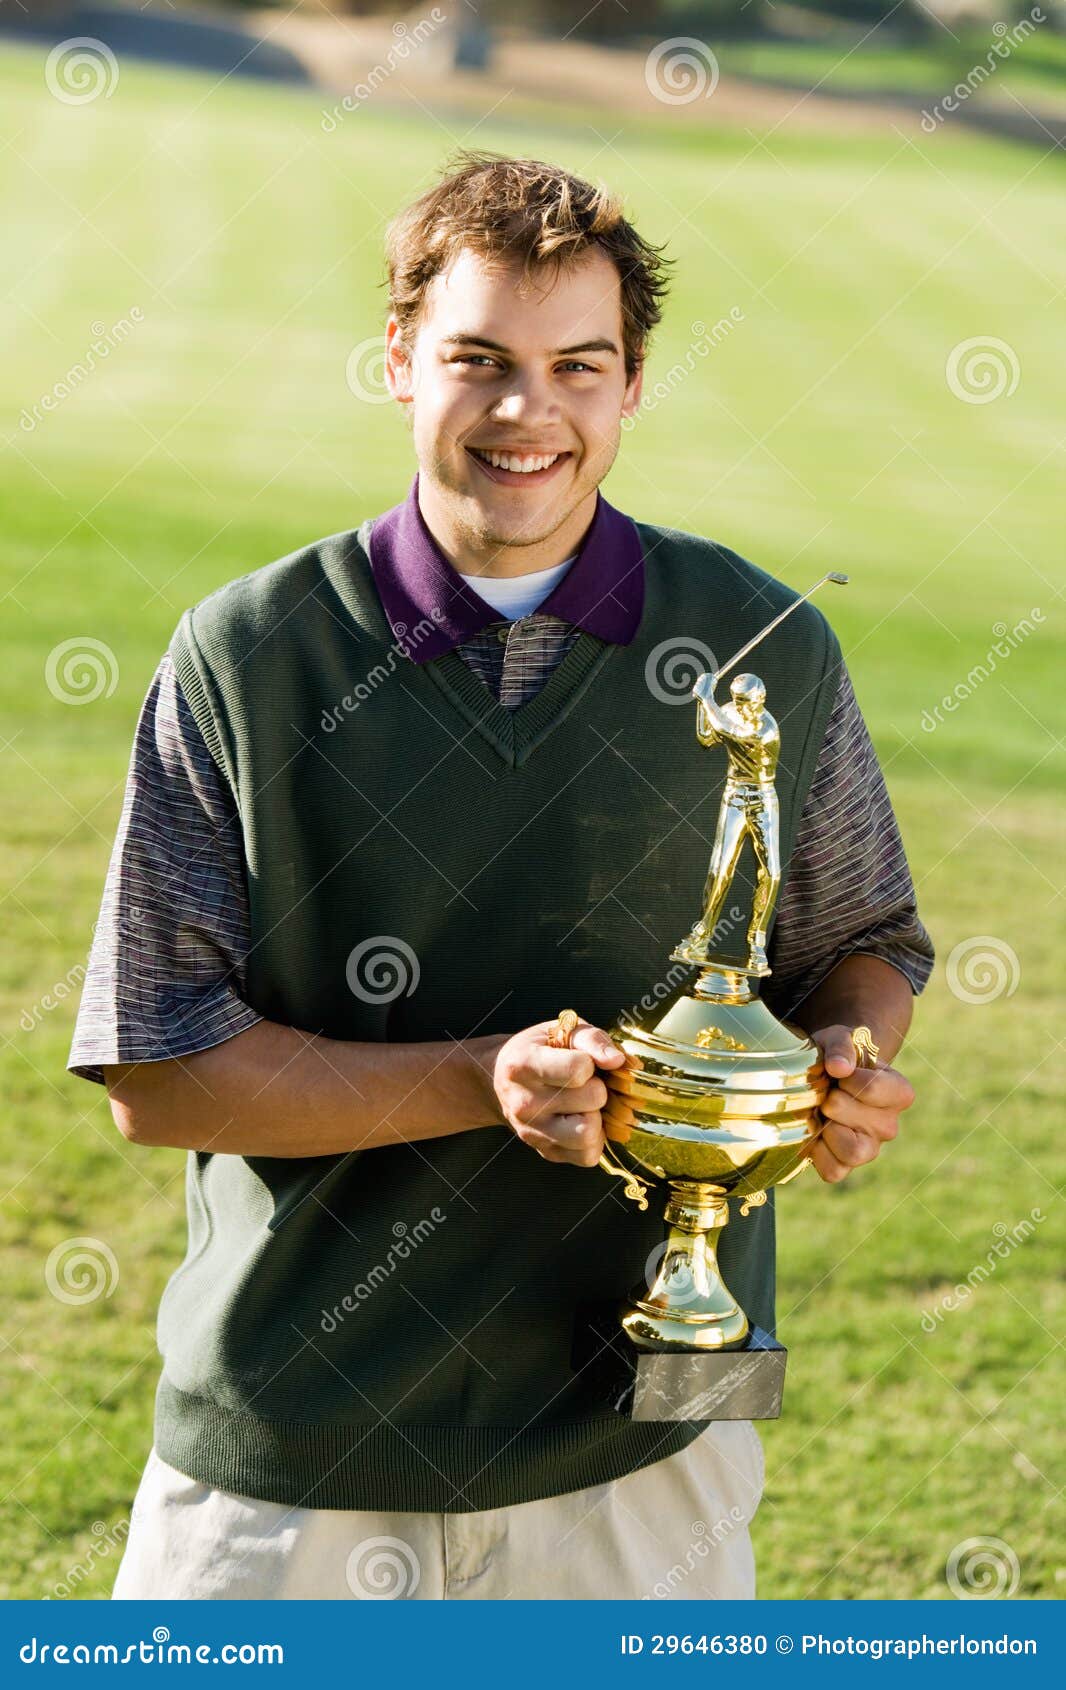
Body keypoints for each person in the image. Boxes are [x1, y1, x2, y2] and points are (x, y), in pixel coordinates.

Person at [68, 149, 932, 1601]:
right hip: (292, 1450)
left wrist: (834, 1063)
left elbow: (863, 943)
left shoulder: (760, 641)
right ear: (399, 358)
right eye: (479, 360)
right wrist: (483, 1078)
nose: (529, 413)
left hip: (648, 1440)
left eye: (577, 366)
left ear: (632, 382)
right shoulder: (244, 652)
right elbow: (160, 1070)